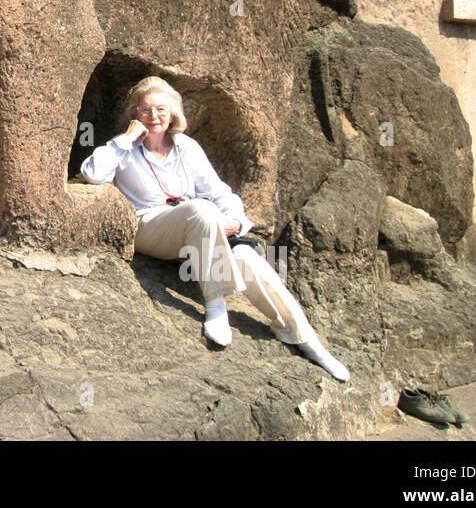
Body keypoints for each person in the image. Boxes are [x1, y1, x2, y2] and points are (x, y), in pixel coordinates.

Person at [79, 75, 350, 381]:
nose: (153, 116)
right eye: (145, 110)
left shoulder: (185, 146)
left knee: (249, 260)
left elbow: (220, 193)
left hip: (198, 231)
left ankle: (305, 338)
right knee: (200, 209)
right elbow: (91, 173)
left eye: (161, 109)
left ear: (173, 114)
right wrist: (126, 138)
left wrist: (236, 220)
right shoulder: (124, 149)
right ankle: (215, 302)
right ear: (134, 114)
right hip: (150, 227)